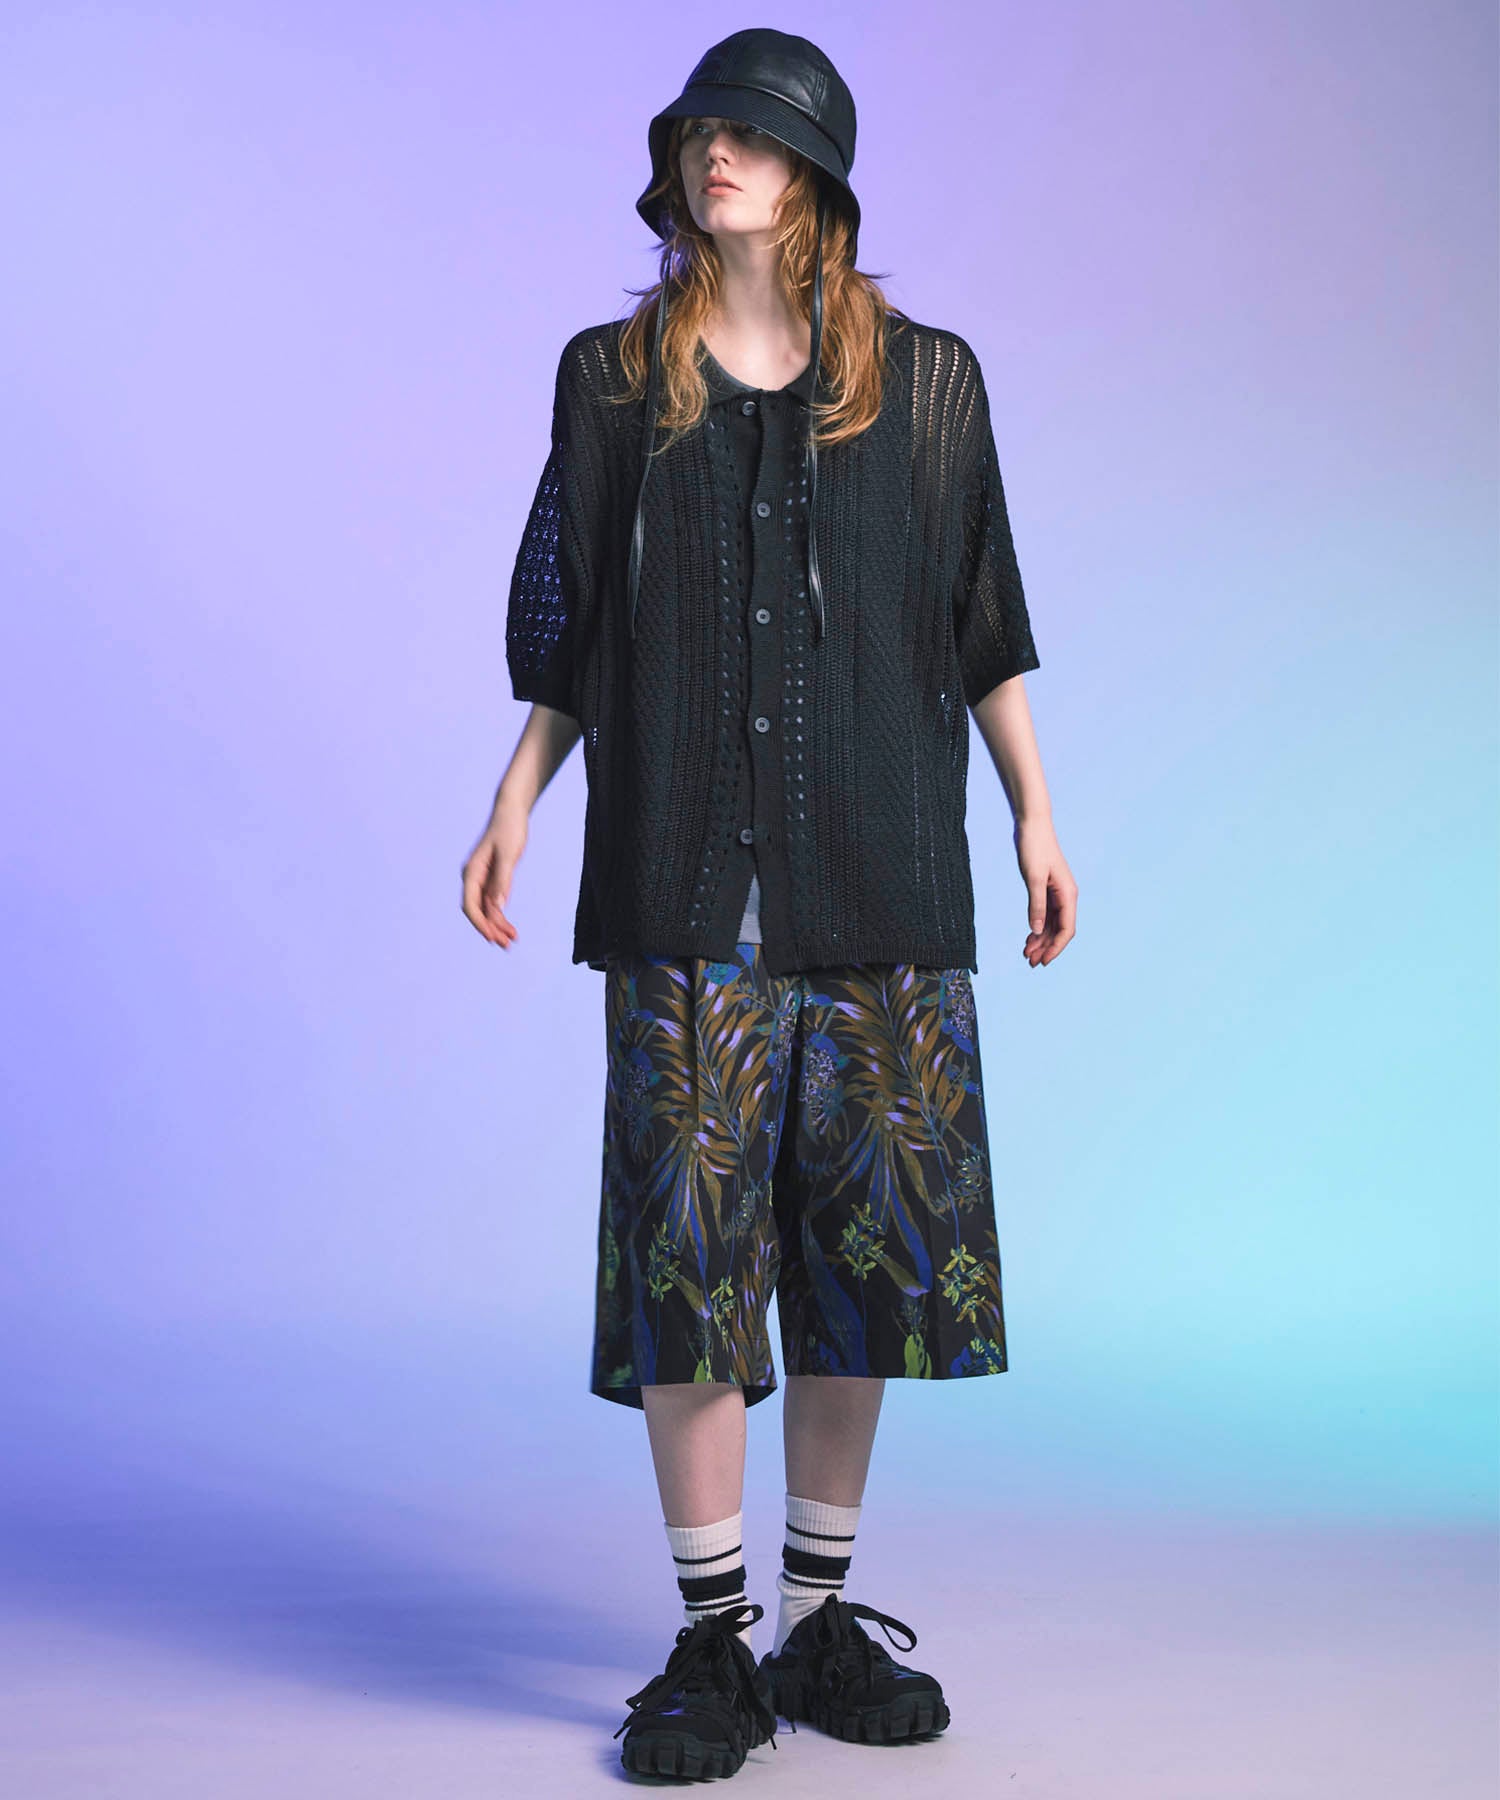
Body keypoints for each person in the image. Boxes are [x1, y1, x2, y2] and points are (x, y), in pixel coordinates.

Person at [462, 27, 1077, 1782]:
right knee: (688, 1266)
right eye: (697, 134)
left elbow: (981, 617)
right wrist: (513, 800)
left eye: (748, 135)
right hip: (681, 887)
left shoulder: (929, 383)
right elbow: (578, 632)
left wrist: (1038, 813)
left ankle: (816, 1621)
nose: (712, 155)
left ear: (815, 176)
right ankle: (711, 1643)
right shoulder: (610, 380)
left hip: (882, 878)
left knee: (856, 1264)